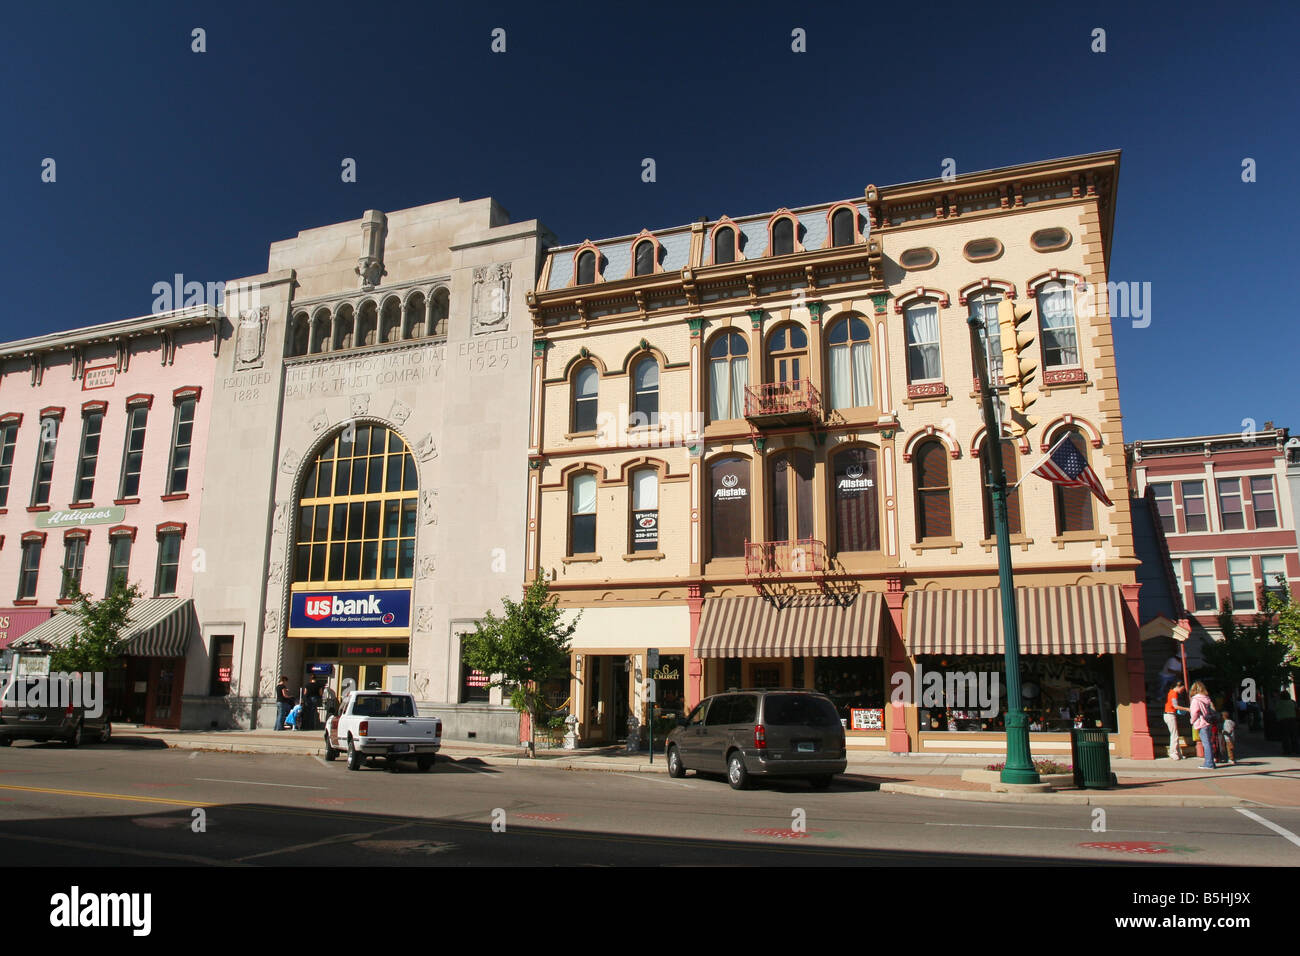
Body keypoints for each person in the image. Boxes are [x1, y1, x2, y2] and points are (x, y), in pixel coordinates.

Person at [1188, 681, 1216, 770]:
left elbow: (1194, 712)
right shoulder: (1207, 698)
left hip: (1201, 722)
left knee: (1206, 743)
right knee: (1209, 743)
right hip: (1209, 721)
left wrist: (1192, 721)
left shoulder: (1196, 700)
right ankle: (1211, 761)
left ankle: (1209, 763)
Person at [1163, 680, 1190, 760]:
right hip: (1170, 715)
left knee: (1175, 734)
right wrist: (1187, 709)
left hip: (1169, 714)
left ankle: (1177, 753)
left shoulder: (1171, 692)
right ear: (1178, 686)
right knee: (1174, 735)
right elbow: (1175, 706)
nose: (1182, 691)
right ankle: (1173, 753)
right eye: (1182, 688)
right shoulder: (1173, 694)